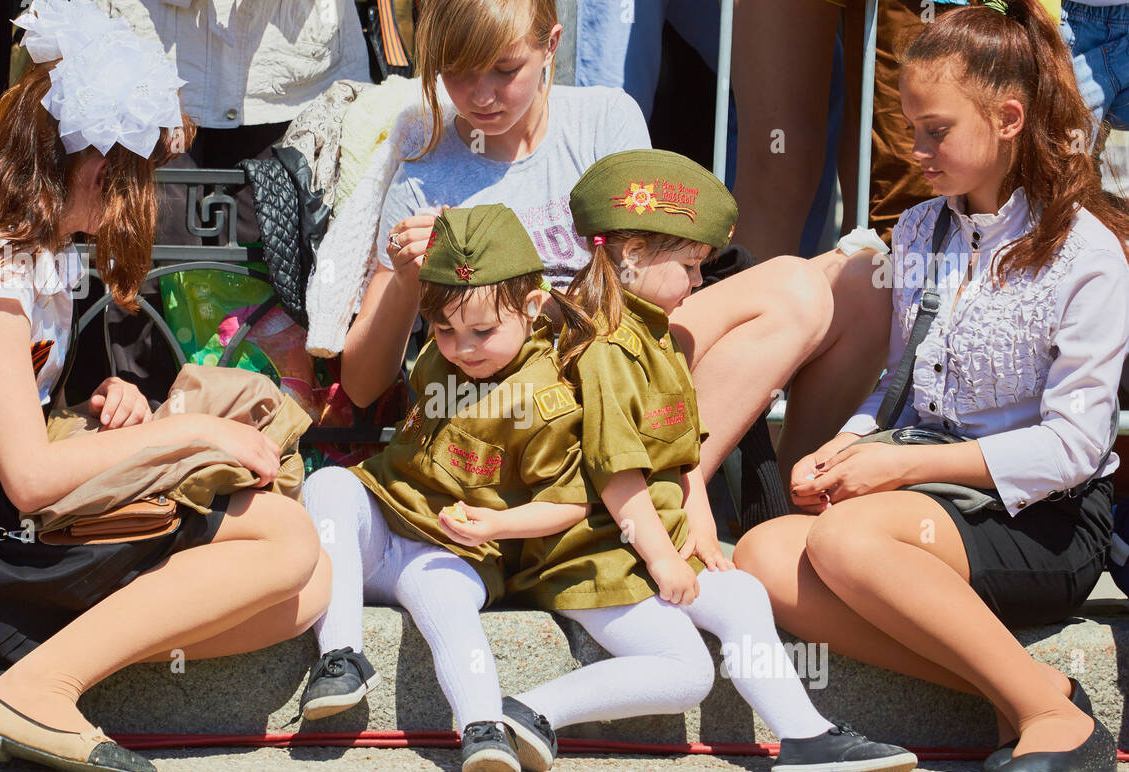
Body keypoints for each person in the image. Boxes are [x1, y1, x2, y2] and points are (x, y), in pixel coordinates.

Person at [0, 0, 329, 772]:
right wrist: (191, 433)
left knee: (305, 589)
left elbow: (15, 425)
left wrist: (102, 411)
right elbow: (28, 475)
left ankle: (44, 665)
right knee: (289, 543)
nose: (136, 199)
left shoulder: (38, 246)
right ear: (94, 164)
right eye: (133, 176)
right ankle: (35, 689)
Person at [735, 0, 1129, 772]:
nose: (913, 149)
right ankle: (1027, 686)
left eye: (935, 130)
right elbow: (897, 387)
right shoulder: (919, 231)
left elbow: (1076, 447)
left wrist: (893, 474)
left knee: (845, 541)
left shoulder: (1089, 253)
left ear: (1010, 118)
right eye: (910, 126)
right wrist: (849, 444)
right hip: (928, 495)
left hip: (1043, 520)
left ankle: (1066, 726)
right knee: (762, 555)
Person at [498, 150, 918, 772]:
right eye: (689, 266)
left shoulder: (651, 335)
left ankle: (805, 737)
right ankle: (526, 711)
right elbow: (617, 472)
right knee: (687, 673)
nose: (699, 284)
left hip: (636, 545)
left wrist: (692, 526)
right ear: (633, 255)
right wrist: (667, 558)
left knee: (742, 591)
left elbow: (679, 449)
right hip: (593, 557)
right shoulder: (609, 348)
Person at [338, 0, 845, 492]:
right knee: (796, 287)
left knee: (834, 282)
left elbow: (649, 295)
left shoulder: (603, 119)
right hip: (514, 398)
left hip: (619, 356)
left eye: (503, 69)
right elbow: (362, 385)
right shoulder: (425, 173)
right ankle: (675, 504)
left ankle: (747, 496)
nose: (480, 95)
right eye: (456, 72)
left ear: (550, 45)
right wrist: (408, 279)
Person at [298, 204, 597, 772]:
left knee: (446, 608)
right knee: (329, 482)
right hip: (383, 521)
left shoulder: (542, 397)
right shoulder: (443, 352)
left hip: (456, 551)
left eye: (483, 331)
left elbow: (571, 501)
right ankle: (343, 655)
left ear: (534, 308)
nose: (463, 347)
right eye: (444, 330)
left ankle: (482, 728)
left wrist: (496, 527)